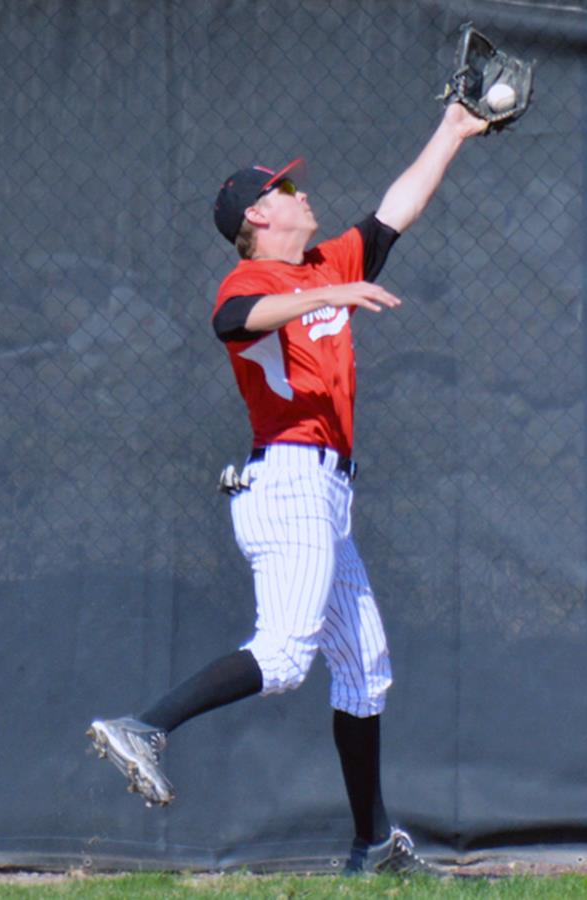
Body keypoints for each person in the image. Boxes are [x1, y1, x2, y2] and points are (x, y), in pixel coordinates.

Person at [88, 100, 489, 876]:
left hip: (328, 495)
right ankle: (144, 726)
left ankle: (374, 847)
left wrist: (452, 129)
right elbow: (235, 322)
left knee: (366, 668)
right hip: (288, 481)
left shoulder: (327, 264)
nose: (302, 193)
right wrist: (323, 297)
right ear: (258, 217)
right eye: (283, 189)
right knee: (283, 655)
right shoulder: (255, 277)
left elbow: (393, 212)